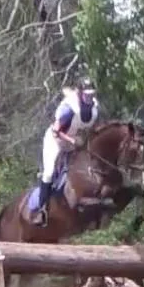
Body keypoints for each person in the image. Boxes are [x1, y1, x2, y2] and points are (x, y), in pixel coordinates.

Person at [32, 77, 101, 226]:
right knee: (49, 172)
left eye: (92, 94)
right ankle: (41, 210)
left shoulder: (95, 108)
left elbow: (90, 129)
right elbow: (57, 130)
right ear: (80, 93)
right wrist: (72, 141)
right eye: (87, 94)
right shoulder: (69, 108)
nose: (89, 97)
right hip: (56, 141)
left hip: (74, 142)